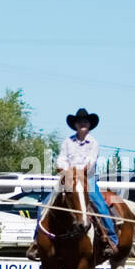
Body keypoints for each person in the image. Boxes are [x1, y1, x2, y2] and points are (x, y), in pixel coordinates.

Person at [26, 107, 118, 259]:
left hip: (86, 179)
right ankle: (36, 241)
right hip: (68, 179)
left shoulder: (93, 143)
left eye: (85, 121)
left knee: (100, 205)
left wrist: (76, 171)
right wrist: (63, 169)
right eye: (80, 121)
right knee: (45, 204)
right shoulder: (67, 142)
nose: (82, 124)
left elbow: (91, 161)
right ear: (75, 125)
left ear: (89, 125)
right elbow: (61, 158)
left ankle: (110, 240)